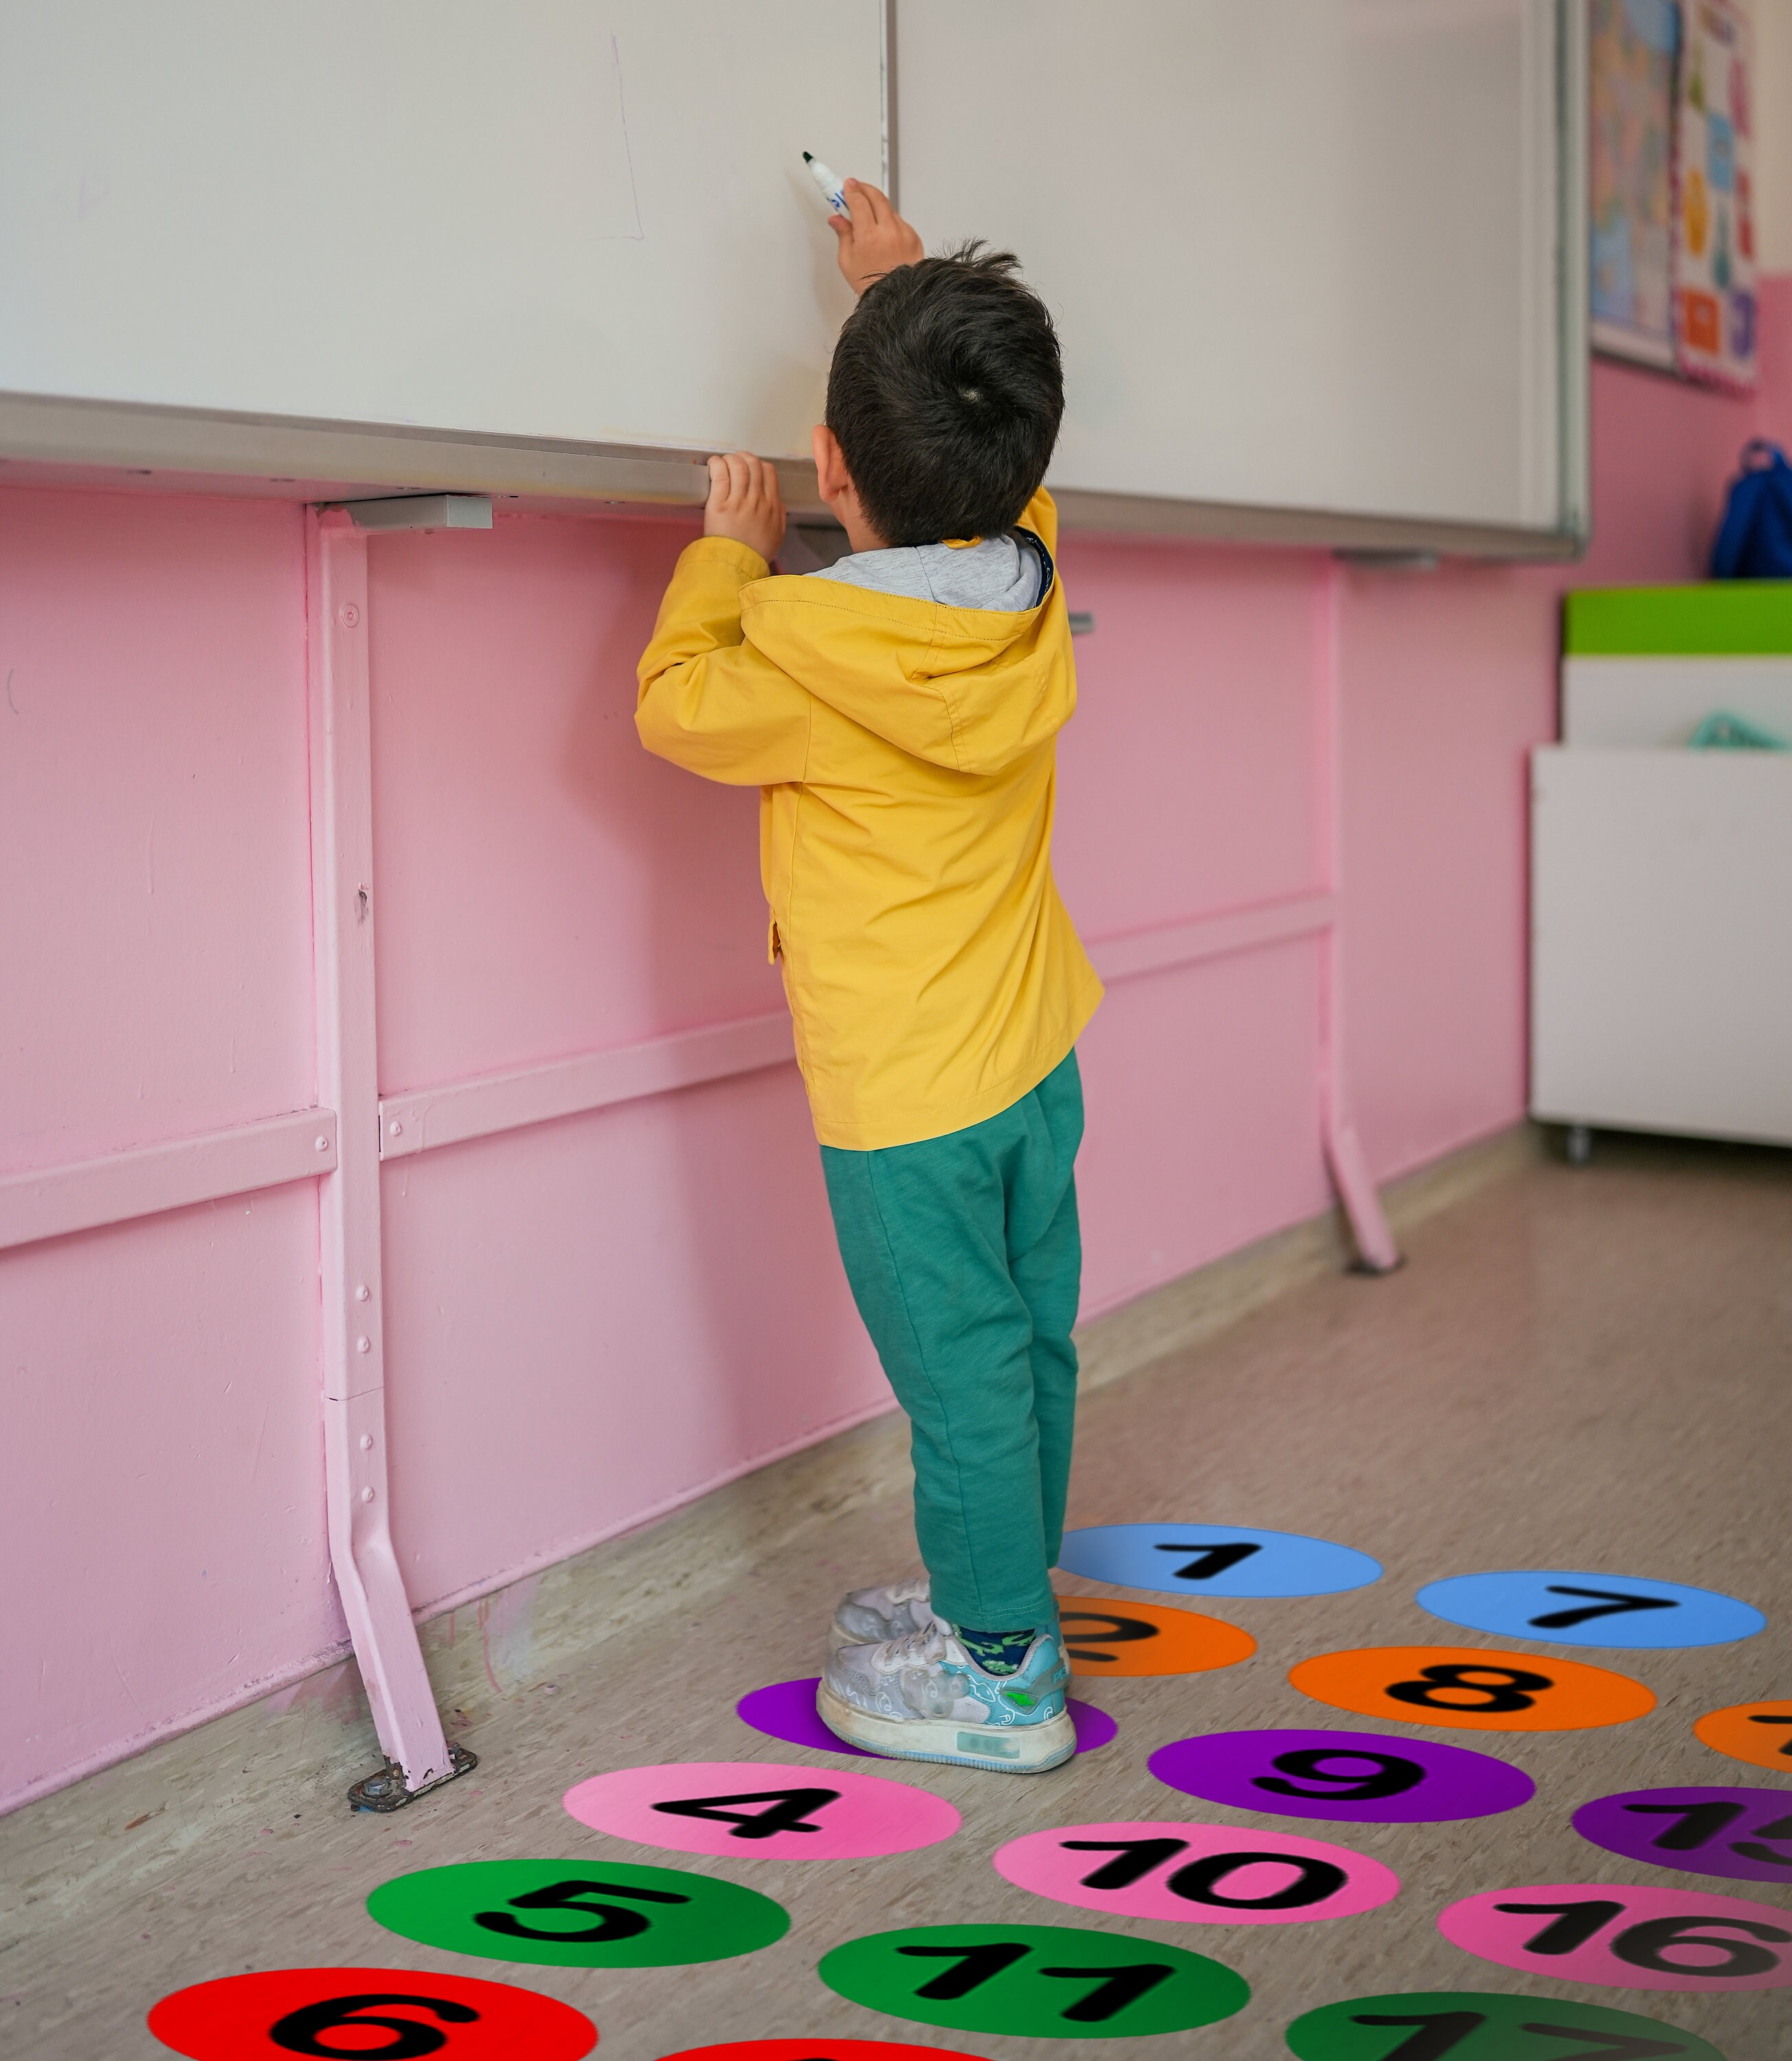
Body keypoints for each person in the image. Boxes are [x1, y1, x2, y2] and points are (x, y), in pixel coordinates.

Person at [636, 181, 1101, 1773]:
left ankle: (996, 1682)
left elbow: (671, 703)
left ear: (827, 469)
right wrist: (896, 286)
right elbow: (990, 501)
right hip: (1034, 1063)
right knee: (1024, 1348)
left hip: (903, 1107)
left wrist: (722, 550)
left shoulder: (790, 650)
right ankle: (1004, 1593)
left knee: (958, 1383)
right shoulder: (1031, 592)